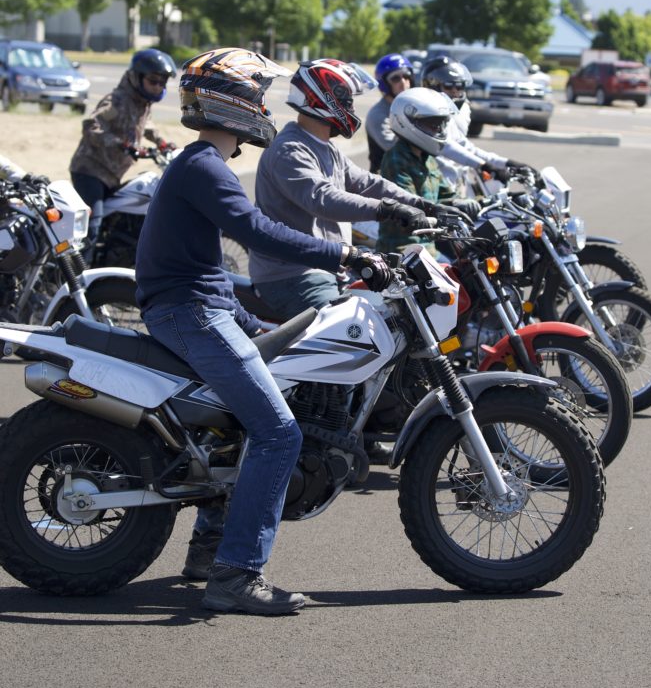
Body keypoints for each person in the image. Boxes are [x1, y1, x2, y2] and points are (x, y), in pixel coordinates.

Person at [135, 48, 392, 616]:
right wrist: (346, 252)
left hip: (207, 307)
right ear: (232, 102)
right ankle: (235, 574)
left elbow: (210, 263)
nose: (262, 104)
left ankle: (207, 550)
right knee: (279, 434)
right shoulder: (204, 165)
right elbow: (257, 230)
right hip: (191, 314)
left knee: (254, 415)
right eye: (255, 94)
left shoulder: (203, 164)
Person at [247, 57, 433, 323]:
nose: (351, 107)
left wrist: (421, 204)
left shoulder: (323, 145)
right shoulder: (289, 149)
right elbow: (323, 199)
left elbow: (368, 182)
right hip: (294, 274)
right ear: (323, 99)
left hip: (330, 267)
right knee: (352, 336)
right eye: (346, 101)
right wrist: (386, 210)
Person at [70, 48, 178, 248]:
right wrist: (122, 144)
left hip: (112, 174)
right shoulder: (117, 101)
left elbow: (147, 126)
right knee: (92, 227)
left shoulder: (142, 104)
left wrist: (162, 143)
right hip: (90, 171)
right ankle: (77, 274)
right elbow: (92, 126)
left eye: (162, 82)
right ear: (136, 77)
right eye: (153, 81)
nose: (158, 87)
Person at [378, 87, 481, 253]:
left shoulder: (428, 158)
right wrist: (442, 210)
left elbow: (445, 195)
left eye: (440, 124)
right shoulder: (396, 159)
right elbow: (409, 204)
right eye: (432, 124)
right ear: (407, 121)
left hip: (430, 249)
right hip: (403, 250)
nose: (438, 130)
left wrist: (461, 203)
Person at [419, 56, 526, 195]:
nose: (455, 91)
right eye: (449, 85)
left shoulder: (450, 117)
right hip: (437, 192)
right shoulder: (425, 120)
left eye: (460, 86)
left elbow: (467, 149)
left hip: (459, 187)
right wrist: (484, 166)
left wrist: (507, 163)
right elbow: (447, 147)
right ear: (432, 86)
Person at [365, 52, 414, 172]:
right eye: (396, 78)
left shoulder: (412, 108)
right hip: (387, 181)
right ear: (384, 83)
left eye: (406, 76)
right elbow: (396, 150)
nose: (403, 82)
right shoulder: (378, 114)